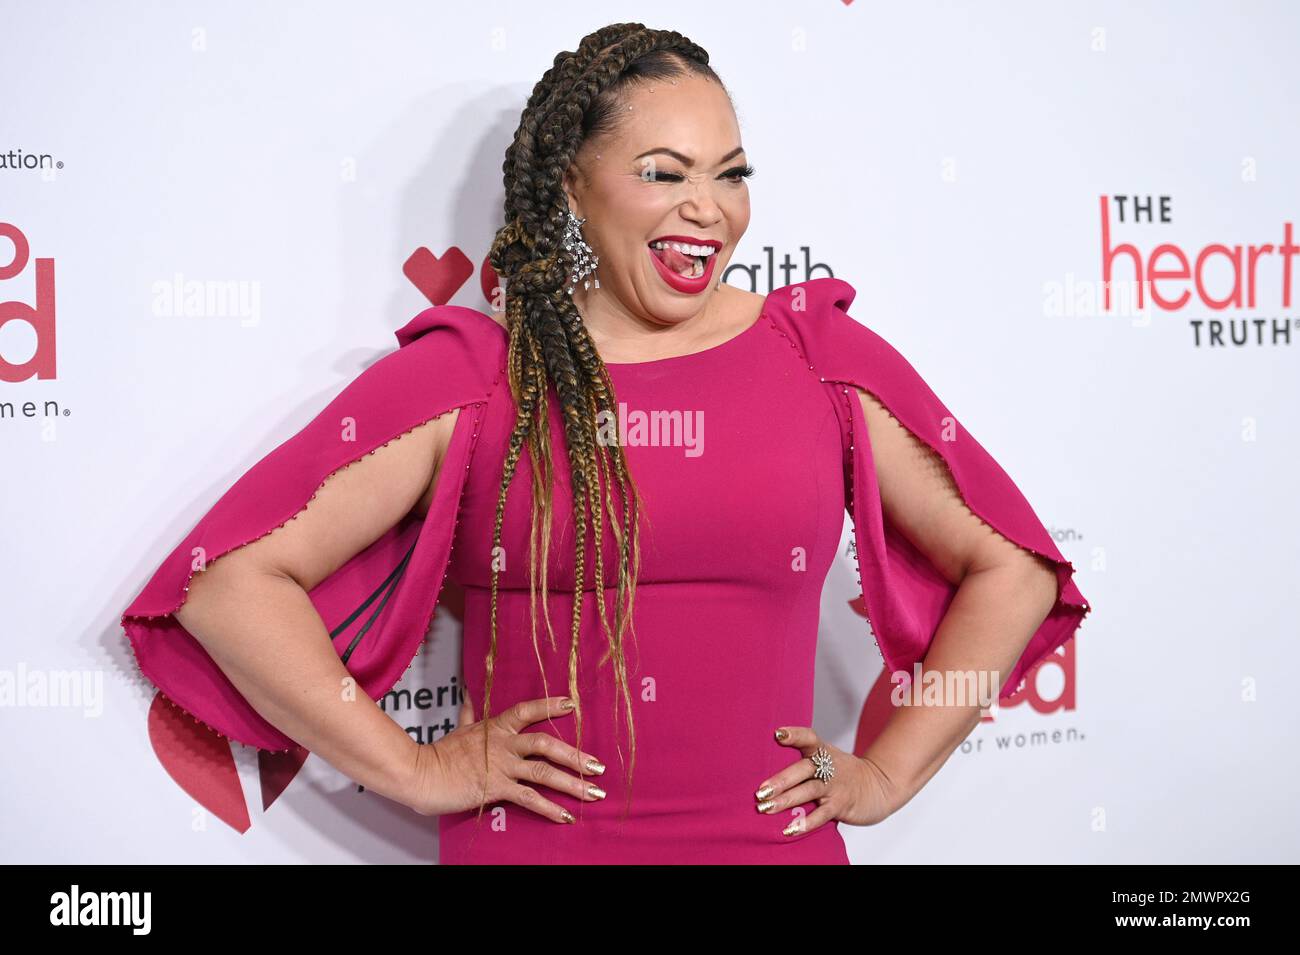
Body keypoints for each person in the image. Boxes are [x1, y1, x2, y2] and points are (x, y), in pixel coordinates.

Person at [121, 22, 1090, 864]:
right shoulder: (477, 374)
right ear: (573, 190)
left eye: (730, 174)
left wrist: (884, 772)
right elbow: (228, 582)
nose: (708, 208)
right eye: (663, 173)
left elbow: (1013, 569)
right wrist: (411, 768)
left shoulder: (815, 357)